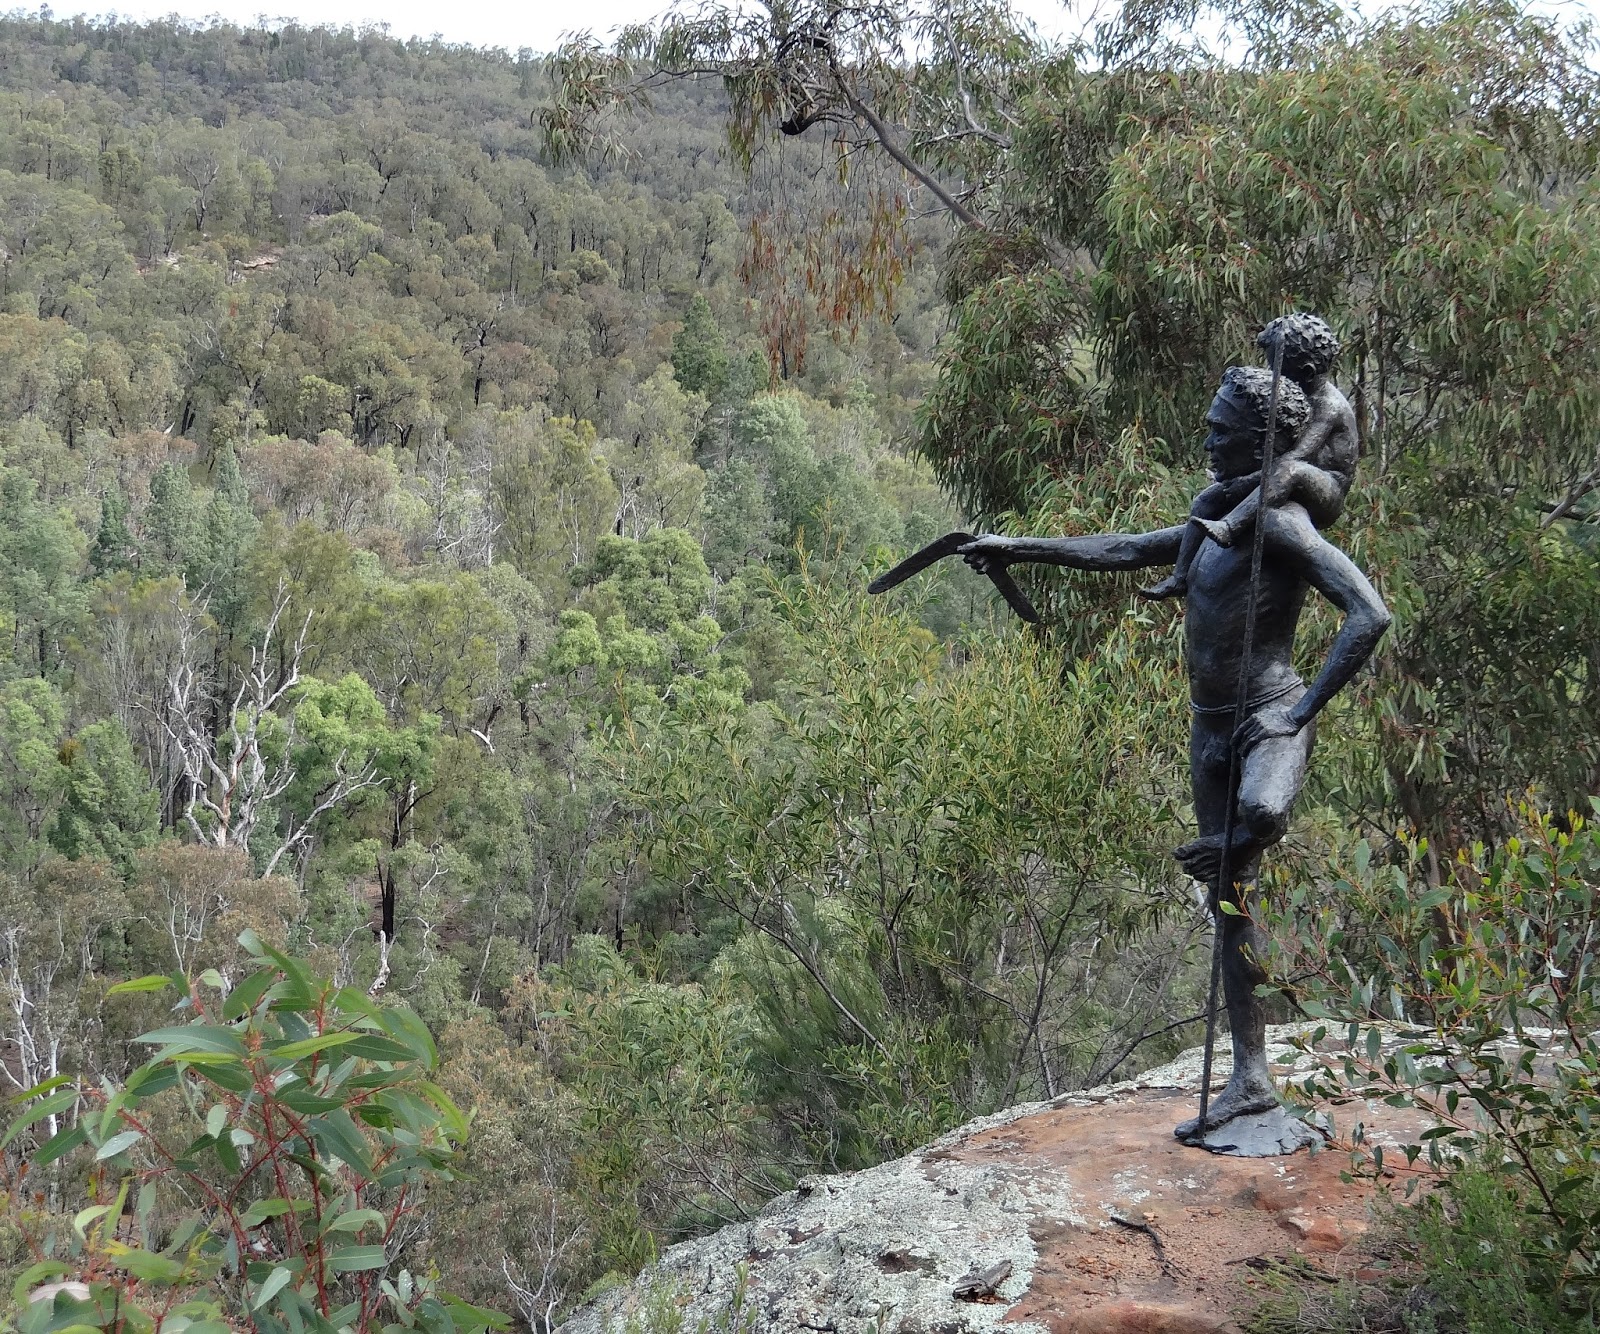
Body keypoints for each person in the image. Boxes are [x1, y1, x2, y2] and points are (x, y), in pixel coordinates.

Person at [959, 364, 1390, 1137]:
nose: (1206, 442)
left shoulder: (1282, 526)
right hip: (1210, 725)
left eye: (1221, 434)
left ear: (1259, 443)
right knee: (1230, 903)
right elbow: (1125, 548)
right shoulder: (1215, 517)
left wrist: (1303, 711)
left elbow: (1368, 614)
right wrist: (1016, 546)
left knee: (1258, 818)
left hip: (1268, 716)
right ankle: (1251, 1078)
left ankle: (1253, 1064)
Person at [1140, 313, 1358, 602]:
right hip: (1287, 475)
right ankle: (1180, 576)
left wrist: (1248, 480)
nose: (1273, 376)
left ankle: (1231, 525)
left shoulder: (1327, 406)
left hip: (1326, 488)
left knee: (1290, 470)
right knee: (1209, 498)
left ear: (1305, 371)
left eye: (1278, 368)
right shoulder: (1303, 393)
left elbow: (1297, 456)